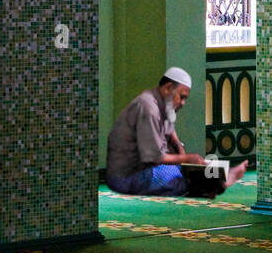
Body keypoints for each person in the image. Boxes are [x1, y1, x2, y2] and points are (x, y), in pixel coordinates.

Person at [105, 67, 248, 197]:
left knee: (187, 169)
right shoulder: (149, 108)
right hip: (127, 176)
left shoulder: (161, 102)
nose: (183, 103)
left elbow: (170, 127)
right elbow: (155, 157)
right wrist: (186, 159)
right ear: (168, 88)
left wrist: (179, 146)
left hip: (143, 168)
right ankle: (219, 184)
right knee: (177, 177)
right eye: (182, 97)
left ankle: (216, 182)